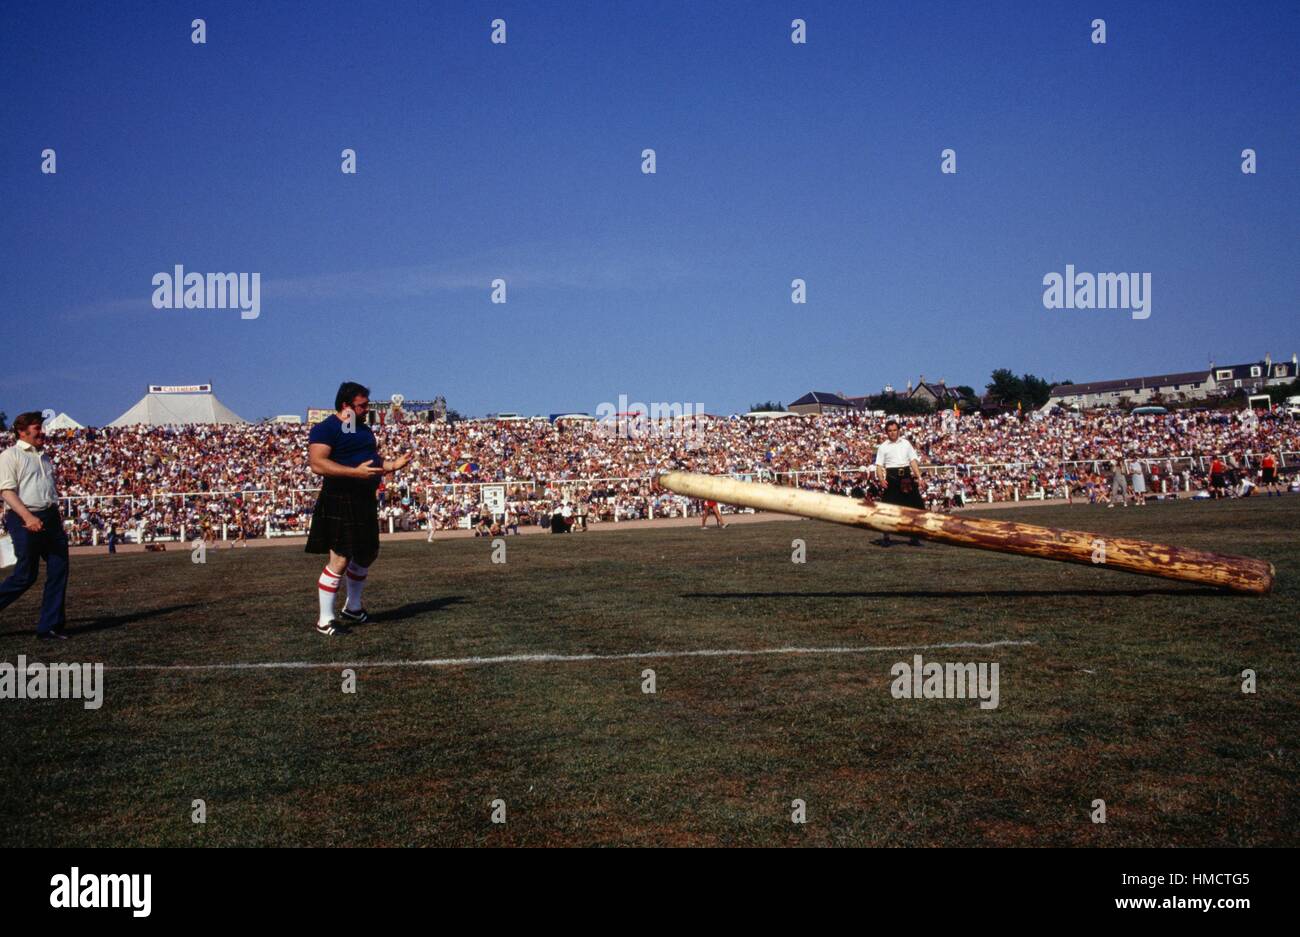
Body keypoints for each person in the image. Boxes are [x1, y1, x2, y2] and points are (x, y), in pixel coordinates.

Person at [305, 382, 411, 636]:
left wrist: (393, 464)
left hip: (364, 498)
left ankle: (353, 607)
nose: (367, 410)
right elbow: (317, 464)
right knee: (340, 558)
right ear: (346, 406)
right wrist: (355, 473)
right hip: (340, 497)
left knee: (367, 553)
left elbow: (373, 462)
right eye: (362, 406)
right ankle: (325, 620)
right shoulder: (326, 428)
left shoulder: (363, 431)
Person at [0, 412, 70, 639]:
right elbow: (7, 492)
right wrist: (28, 517)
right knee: (25, 575)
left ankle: (50, 626)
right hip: (24, 518)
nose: (42, 432)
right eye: (37, 428)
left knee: (59, 570)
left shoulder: (44, 457)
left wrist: (53, 517)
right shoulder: (11, 455)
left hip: (50, 518)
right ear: (22, 431)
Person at [869, 419, 923, 546]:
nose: (893, 433)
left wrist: (919, 477)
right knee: (888, 508)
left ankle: (914, 537)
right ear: (886, 432)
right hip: (892, 478)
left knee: (914, 508)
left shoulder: (906, 444)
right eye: (890, 431)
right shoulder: (882, 447)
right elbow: (879, 466)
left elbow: (913, 461)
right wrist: (881, 480)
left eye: (895, 430)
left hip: (906, 476)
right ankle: (886, 537)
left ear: (899, 430)